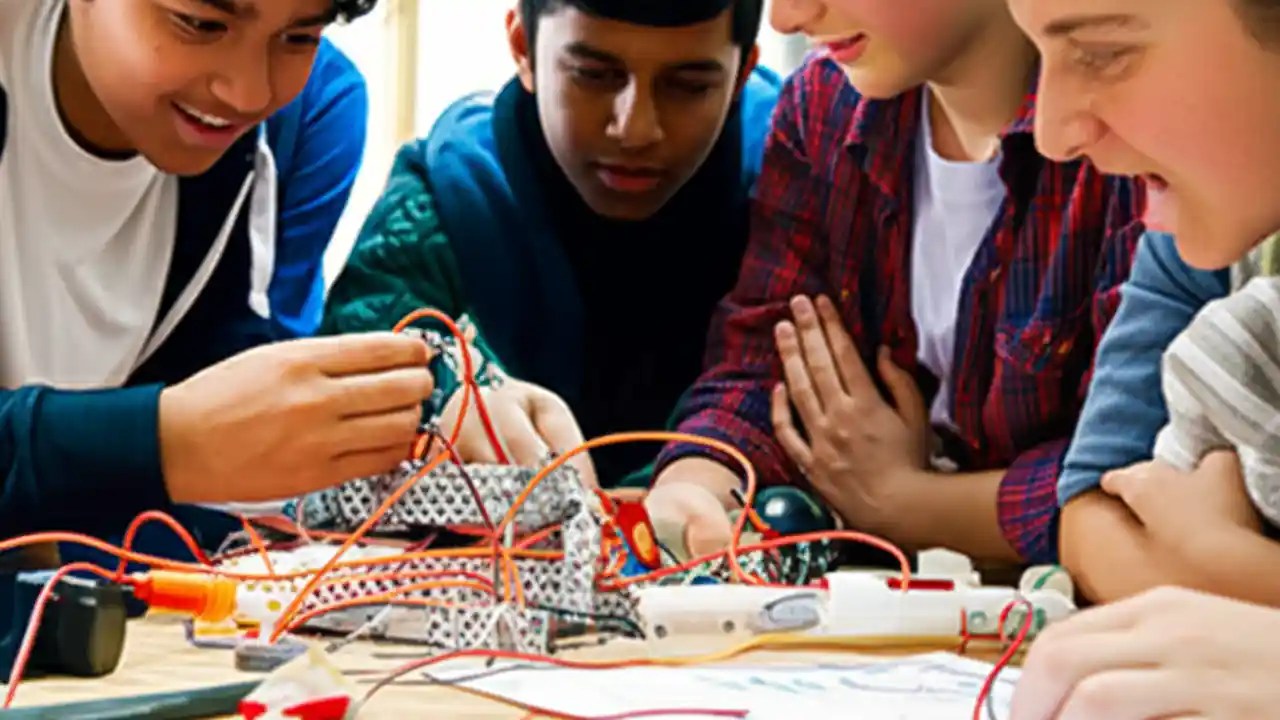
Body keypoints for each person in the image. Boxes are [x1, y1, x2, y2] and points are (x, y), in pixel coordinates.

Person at [641, 0, 1147, 564]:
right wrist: (694, 487)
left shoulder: (1134, 143)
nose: (786, 17)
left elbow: (1136, 472)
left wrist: (904, 503)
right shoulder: (823, 104)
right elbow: (763, 370)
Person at [0, 0, 434, 544]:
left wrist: (421, 416)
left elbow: (245, 442)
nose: (248, 94)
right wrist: (163, 443)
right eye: (200, 24)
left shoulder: (286, 130)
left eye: (299, 37)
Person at [321, 0, 779, 486]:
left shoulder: (794, 192)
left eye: (688, 87)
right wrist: (438, 408)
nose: (635, 130)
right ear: (523, 47)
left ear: (742, 73)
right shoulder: (442, 203)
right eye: (593, 76)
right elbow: (332, 424)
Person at [1016, 0, 1280, 608]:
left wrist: (1225, 563)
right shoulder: (1203, 230)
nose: (1050, 135)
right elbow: (1092, 514)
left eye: (1101, 54)